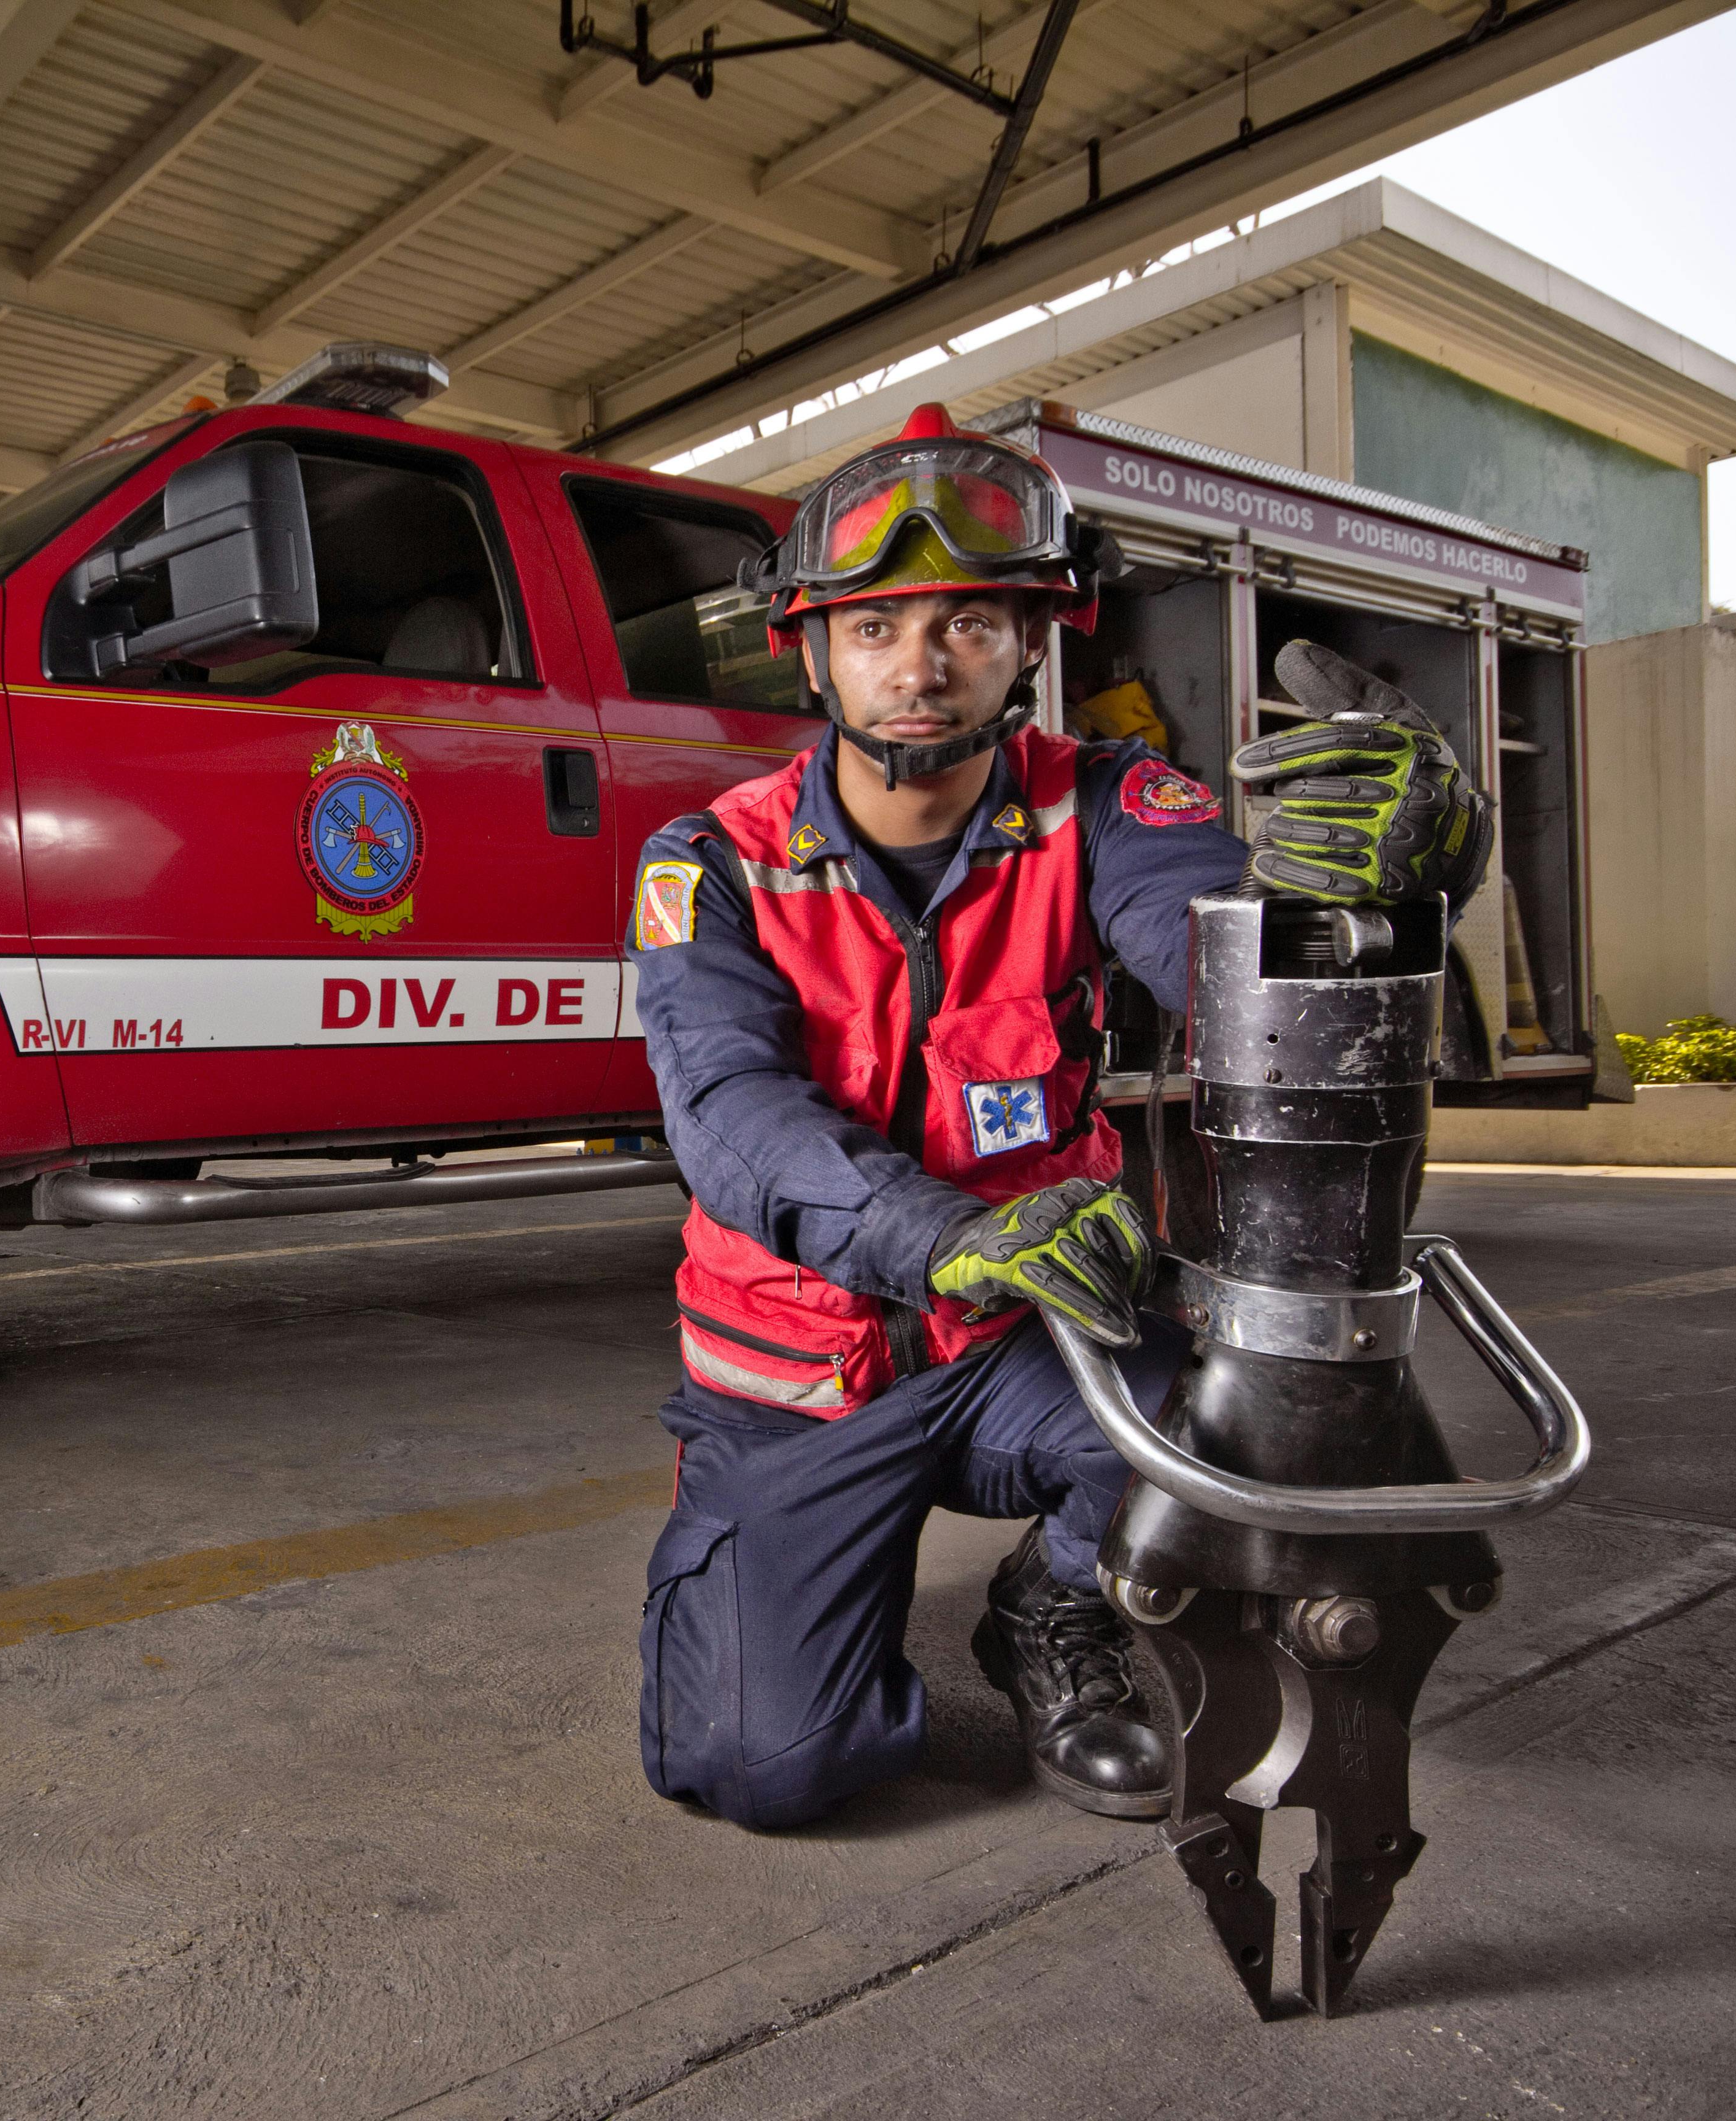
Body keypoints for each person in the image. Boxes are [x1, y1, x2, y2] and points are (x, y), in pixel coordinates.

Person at [630, 404, 1491, 1827]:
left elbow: (1231, 959)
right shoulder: (711, 859)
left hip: (1025, 1345)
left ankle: (1051, 1609)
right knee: (766, 1771)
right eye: (875, 628)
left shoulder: (1109, 809)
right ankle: (800, 1595)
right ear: (811, 647)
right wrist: (942, 1234)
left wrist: (1382, 907)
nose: (919, 665)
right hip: (798, 1381)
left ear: (1032, 643)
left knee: (1249, 1417)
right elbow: (725, 1112)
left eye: (969, 623)